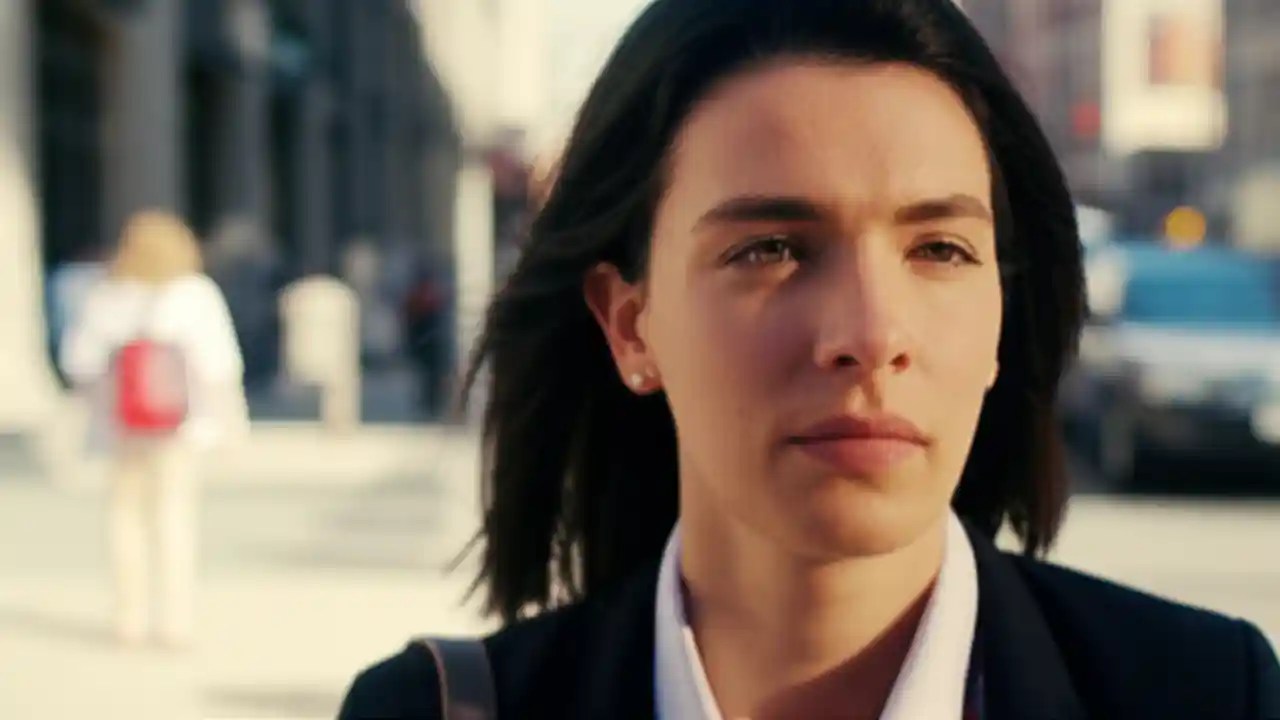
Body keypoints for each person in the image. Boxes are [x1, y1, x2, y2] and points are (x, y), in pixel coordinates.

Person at [339, 0, 1280, 717]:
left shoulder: (1206, 693)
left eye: (940, 251)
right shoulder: (435, 710)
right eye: (771, 250)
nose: (871, 334)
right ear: (631, 324)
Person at [60, 210, 248, 648]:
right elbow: (219, 365)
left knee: (124, 518)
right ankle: (174, 619)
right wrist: (230, 425)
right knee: (174, 516)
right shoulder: (195, 294)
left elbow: (80, 362)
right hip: (180, 426)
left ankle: (129, 616)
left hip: (121, 424)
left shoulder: (108, 293)